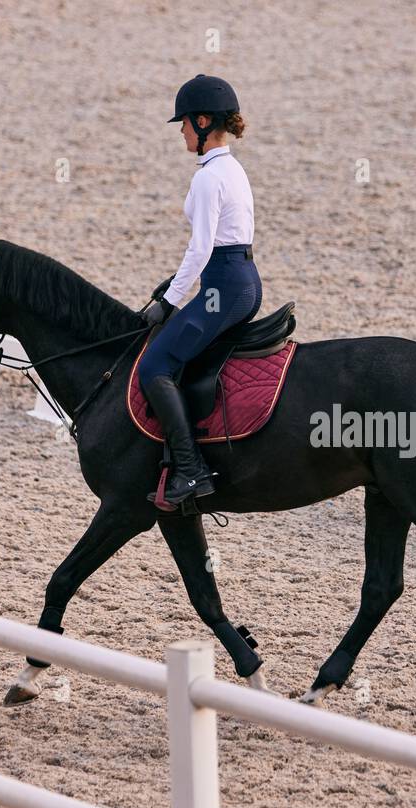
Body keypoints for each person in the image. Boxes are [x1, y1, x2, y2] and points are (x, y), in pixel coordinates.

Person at [138, 74, 261, 507]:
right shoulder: (230, 168)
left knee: (153, 365)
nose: (183, 131)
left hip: (224, 287)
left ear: (205, 122)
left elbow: (201, 246)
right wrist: (174, 284)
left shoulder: (210, 178)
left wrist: (169, 301)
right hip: (238, 280)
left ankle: (190, 471)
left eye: (186, 123)